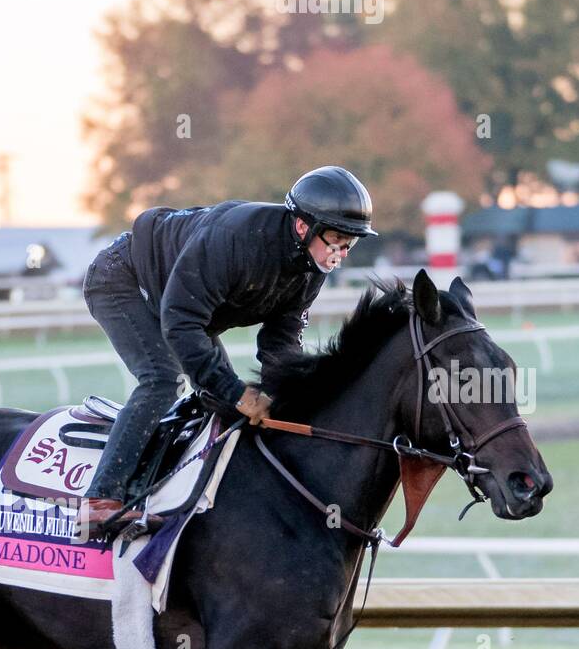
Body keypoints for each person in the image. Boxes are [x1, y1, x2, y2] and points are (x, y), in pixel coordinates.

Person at [77, 165, 378, 533]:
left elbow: (279, 343)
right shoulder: (235, 239)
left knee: (224, 401)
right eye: (337, 239)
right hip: (124, 279)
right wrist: (237, 392)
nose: (343, 252)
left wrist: (285, 397)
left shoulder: (310, 269)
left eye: (351, 242)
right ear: (304, 226)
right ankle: (99, 500)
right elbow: (180, 322)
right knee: (162, 379)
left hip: (179, 303)